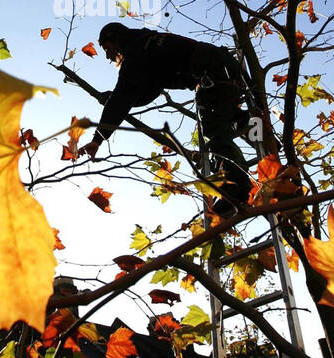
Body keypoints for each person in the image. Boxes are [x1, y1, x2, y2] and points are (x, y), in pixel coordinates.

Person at [79, 23, 252, 217]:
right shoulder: (147, 44)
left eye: (108, 49)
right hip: (225, 68)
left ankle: (236, 188)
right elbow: (144, 93)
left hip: (212, 75)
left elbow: (124, 96)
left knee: (214, 131)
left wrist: (98, 138)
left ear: (118, 39)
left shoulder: (135, 53)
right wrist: (114, 98)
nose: (108, 56)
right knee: (228, 118)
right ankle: (255, 127)